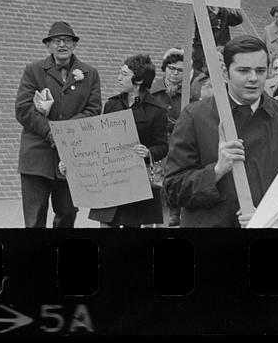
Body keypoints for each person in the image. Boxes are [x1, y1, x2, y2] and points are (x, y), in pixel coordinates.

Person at [163, 36, 278, 228]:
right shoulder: (195, 116)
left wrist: (270, 215)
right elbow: (173, 190)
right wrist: (216, 170)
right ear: (225, 72)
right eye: (243, 71)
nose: (253, 78)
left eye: (260, 70)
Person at [15, 21, 102, 228]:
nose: (62, 44)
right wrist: (53, 133)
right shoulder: (34, 71)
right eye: (56, 41)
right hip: (37, 157)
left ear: (74, 45)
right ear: (48, 45)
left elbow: (94, 110)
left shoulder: (89, 74)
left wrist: (67, 133)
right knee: (34, 218)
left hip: (72, 158)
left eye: (67, 40)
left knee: (67, 214)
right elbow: (23, 109)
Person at [88, 55, 168, 228]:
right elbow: (99, 141)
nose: (119, 78)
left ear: (138, 80)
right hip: (111, 178)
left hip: (137, 181)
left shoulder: (156, 110)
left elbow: (163, 146)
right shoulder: (111, 106)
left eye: (124, 74)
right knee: (107, 226)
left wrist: (148, 152)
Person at [149, 47, 186, 227]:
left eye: (180, 71)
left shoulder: (188, 94)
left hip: (178, 144)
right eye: (172, 68)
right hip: (156, 143)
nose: (175, 73)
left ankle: (174, 211)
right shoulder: (151, 92)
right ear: (165, 68)